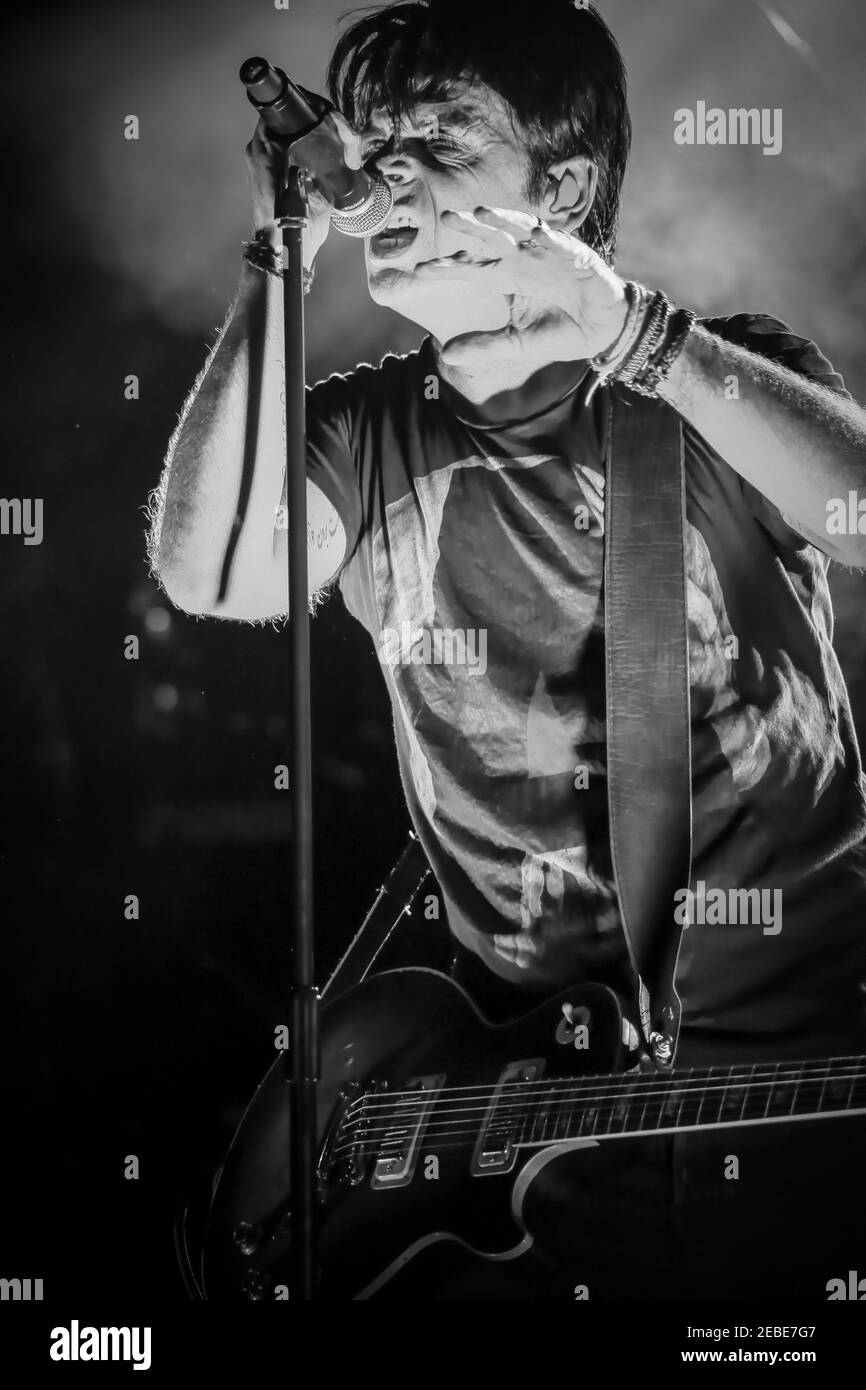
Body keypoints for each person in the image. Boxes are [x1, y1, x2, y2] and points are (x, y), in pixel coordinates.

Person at [148, 1, 866, 1299]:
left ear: (564, 183)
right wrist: (281, 248)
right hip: (520, 1091)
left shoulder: (720, 379)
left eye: (441, 136)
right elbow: (207, 568)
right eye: (376, 141)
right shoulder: (363, 432)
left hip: (796, 1068)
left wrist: (632, 333)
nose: (387, 171)